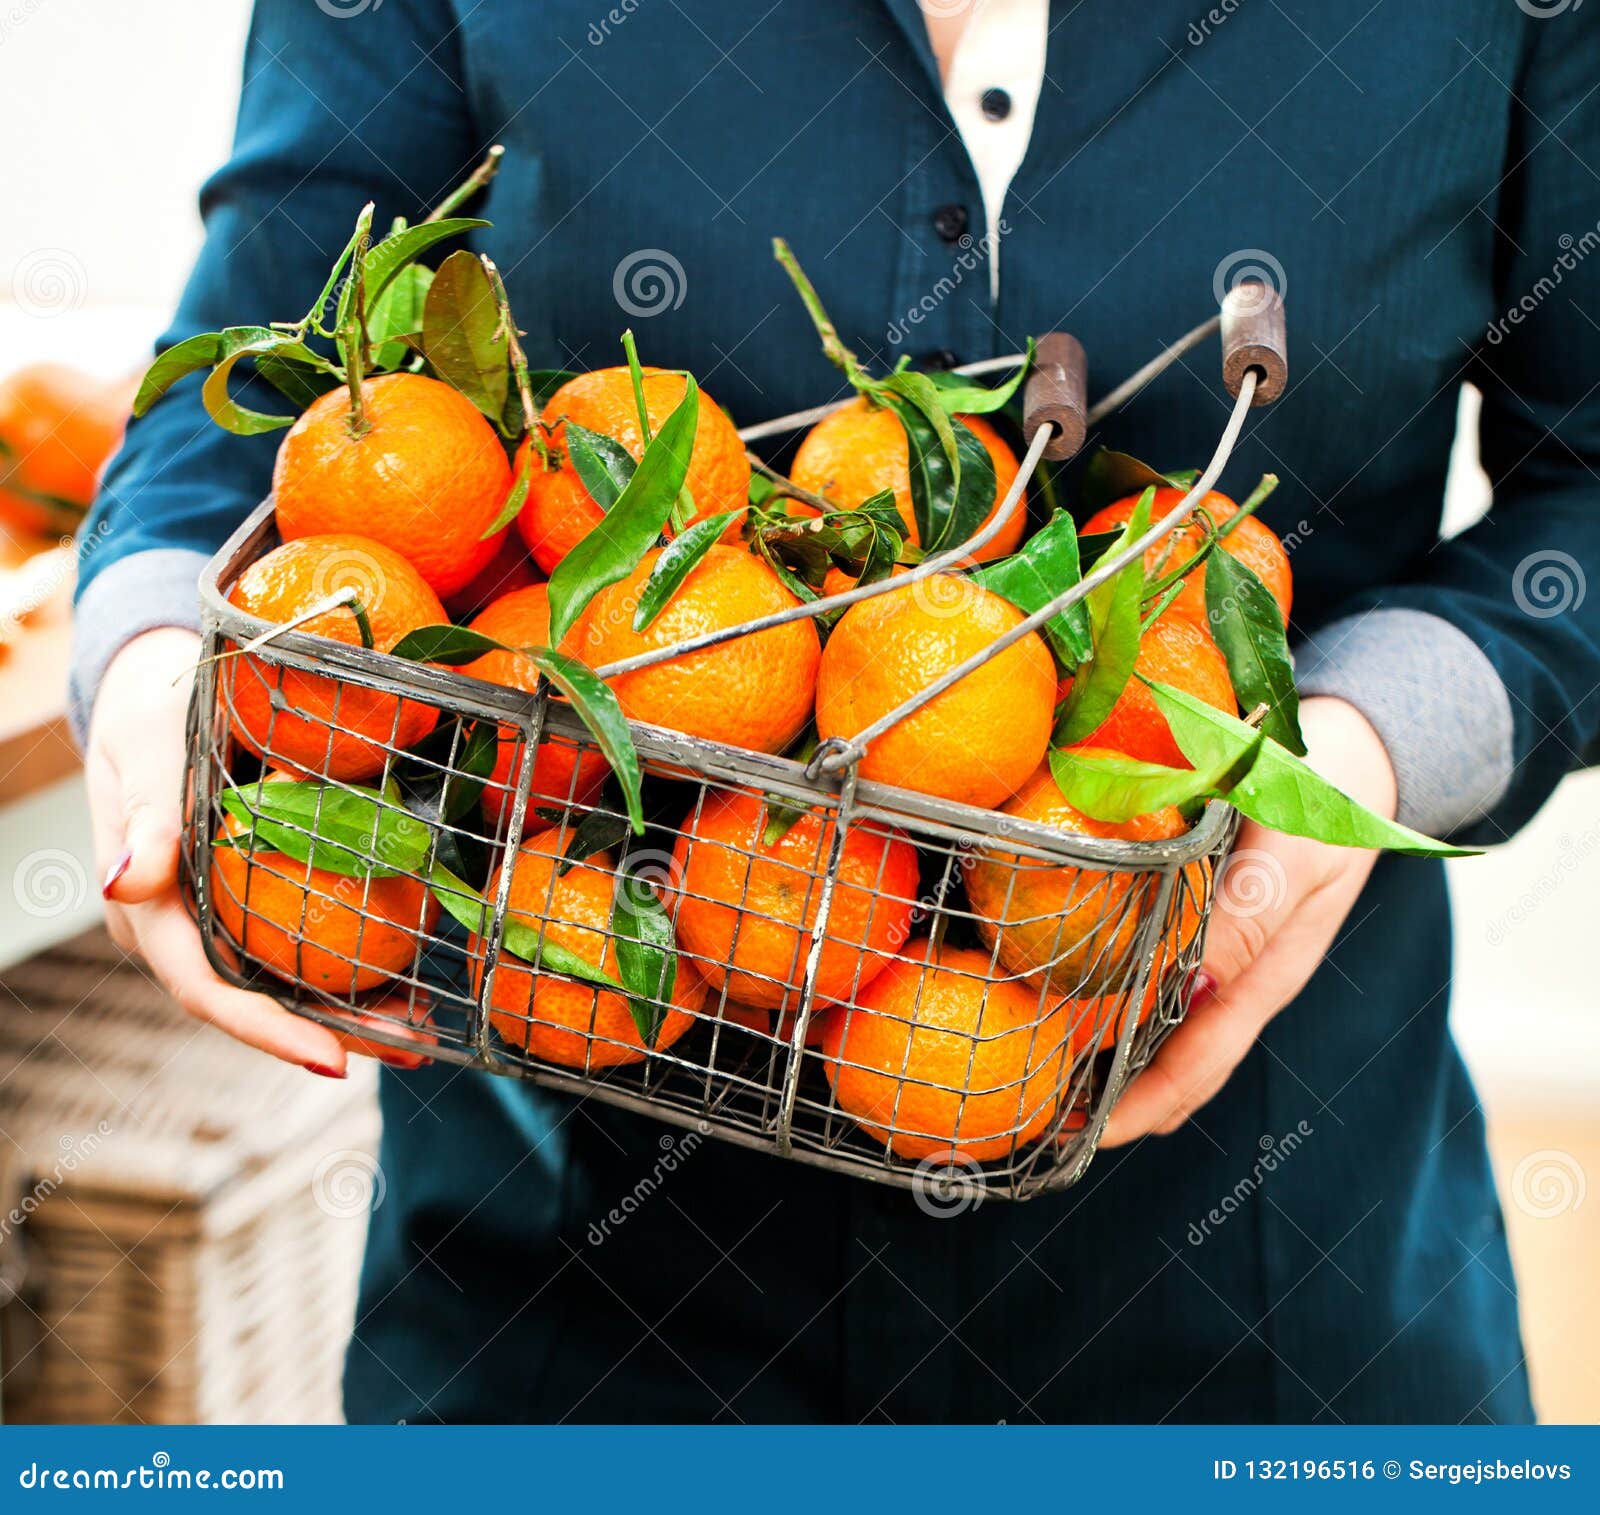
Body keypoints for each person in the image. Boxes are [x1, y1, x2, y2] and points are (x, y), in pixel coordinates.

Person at [76, 0, 1599, 1423]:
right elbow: (256, 408)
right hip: (575, 1285)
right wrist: (153, 669)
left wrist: (1360, 738)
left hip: (1263, 1290)